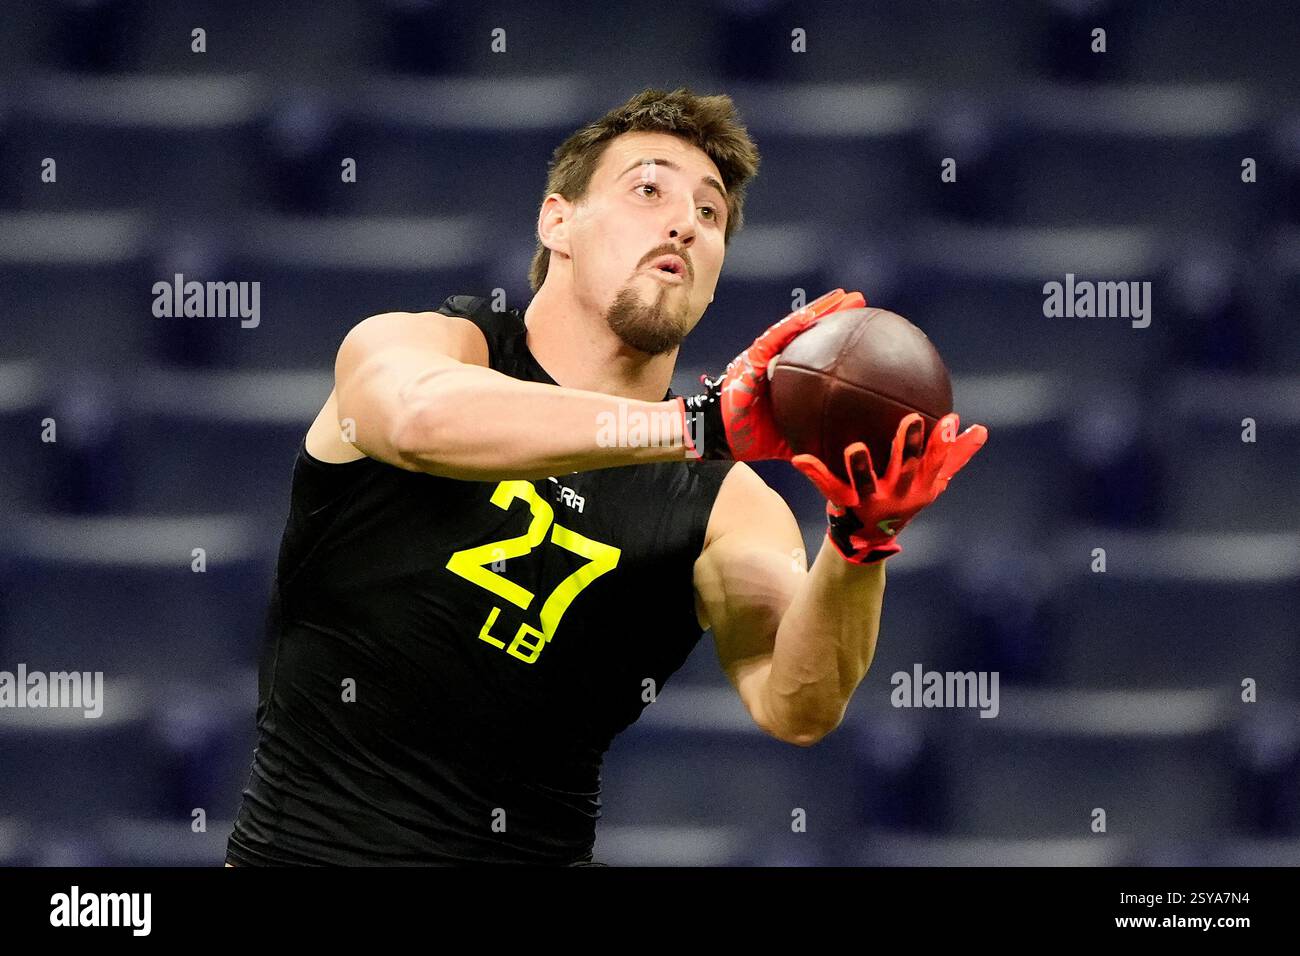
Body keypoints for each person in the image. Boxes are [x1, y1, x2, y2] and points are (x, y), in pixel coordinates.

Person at [224, 86, 985, 867]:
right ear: (558, 222)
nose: (685, 222)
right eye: (648, 189)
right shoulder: (424, 347)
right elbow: (418, 421)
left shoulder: (727, 504)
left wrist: (862, 543)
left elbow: (798, 703)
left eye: (711, 213)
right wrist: (696, 426)